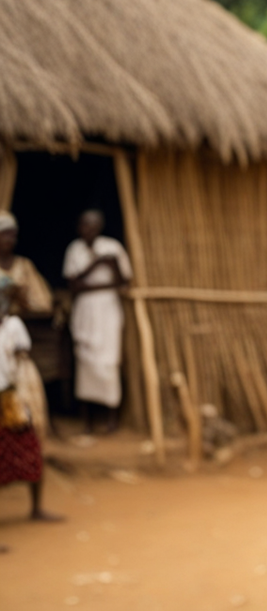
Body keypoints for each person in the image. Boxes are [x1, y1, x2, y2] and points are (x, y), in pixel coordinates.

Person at [63, 210, 132, 434]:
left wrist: (108, 269)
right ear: (78, 227)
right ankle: (88, 420)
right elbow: (73, 285)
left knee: (109, 361)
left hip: (108, 311)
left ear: (100, 227)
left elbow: (124, 281)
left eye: (93, 225)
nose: (88, 230)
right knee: (85, 361)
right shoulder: (74, 249)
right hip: (85, 311)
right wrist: (98, 263)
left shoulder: (113, 247)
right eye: (84, 225)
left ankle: (111, 418)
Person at [0, 286, 63, 529]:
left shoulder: (13, 325)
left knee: (31, 449)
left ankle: (37, 507)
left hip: (11, 397)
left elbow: (21, 359)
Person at [0, 211, 53, 438]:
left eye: (12, 235)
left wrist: (20, 300)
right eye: (4, 234)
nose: (9, 240)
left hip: (19, 333)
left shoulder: (24, 266)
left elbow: (43, 303)